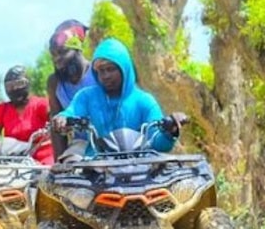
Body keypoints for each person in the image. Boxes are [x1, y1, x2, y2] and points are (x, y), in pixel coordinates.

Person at [52, 38, 182, 156]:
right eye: (101, 71)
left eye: (111, 69)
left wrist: (170, 132)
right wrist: (63, 118)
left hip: (139, 167)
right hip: (96, 165)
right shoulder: (86, 96)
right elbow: (72, 112)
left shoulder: (144, 101)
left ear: (124, 68)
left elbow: (157, 142)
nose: (106, 76)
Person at [45, 20, 97, 156]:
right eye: (54, 55)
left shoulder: (98, 73)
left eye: (62, 52)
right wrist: (59, 165)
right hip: (80, 147)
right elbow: (55, 126)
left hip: (108, 140)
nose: (57, 60)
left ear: (77, 49)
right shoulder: (54, 83)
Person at [0, 65, 54, 164]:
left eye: (19, 84)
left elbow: (57, 123)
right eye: (10, 86)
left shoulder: (41, 104)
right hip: (13, 158)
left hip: (42, 156)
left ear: (28, 83)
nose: (14, 89)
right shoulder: (2, 109)